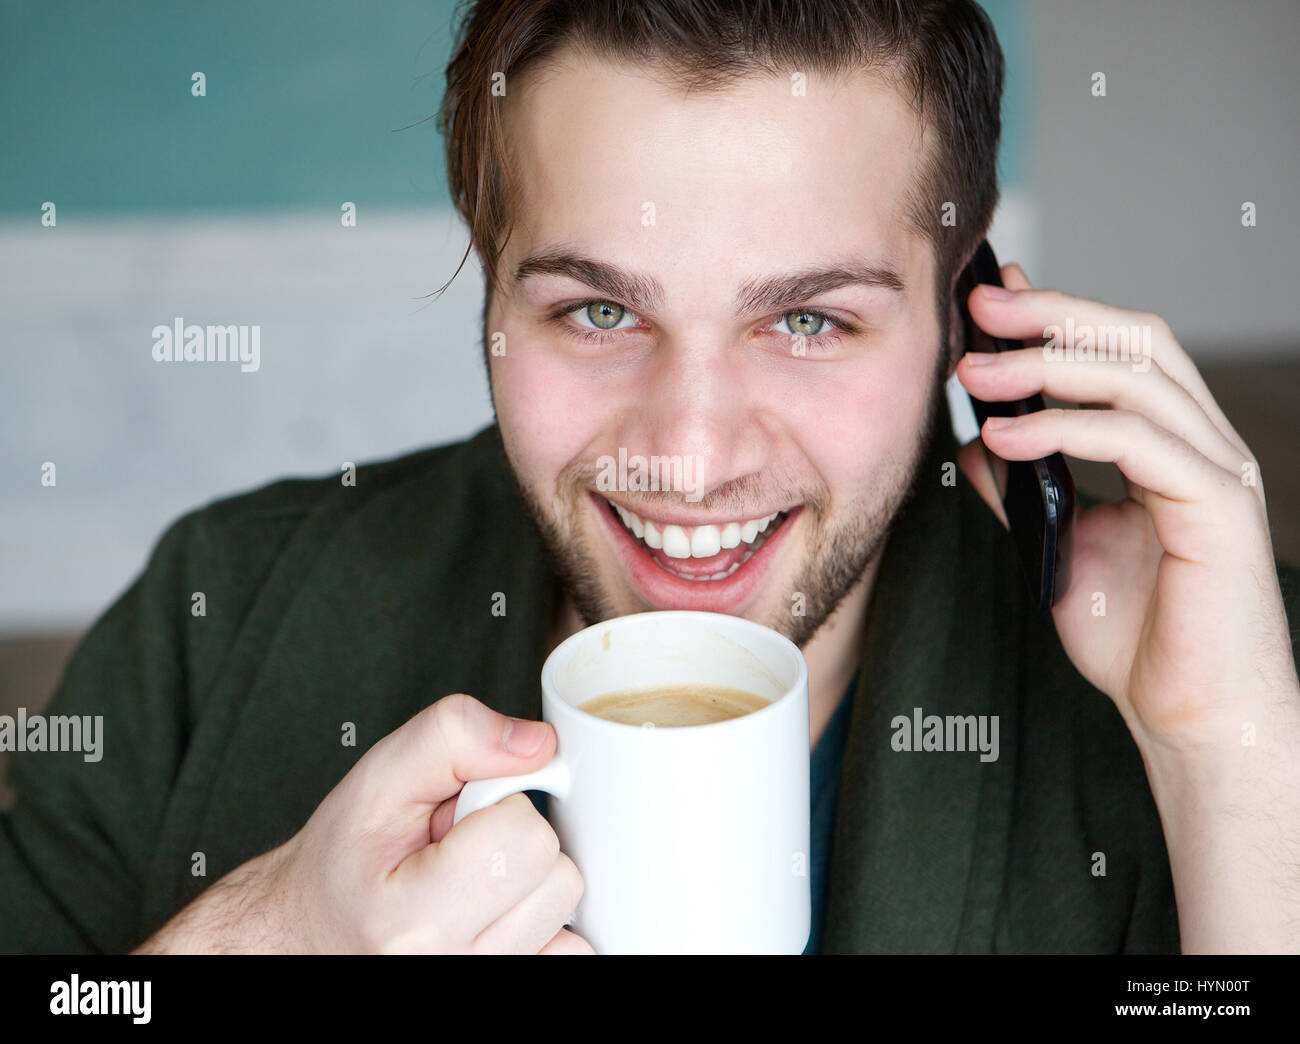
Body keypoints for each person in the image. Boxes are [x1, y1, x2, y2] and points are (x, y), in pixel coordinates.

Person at [3, 0, 1298, 955]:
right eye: (599, 315)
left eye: (807, 322)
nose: (687, 455)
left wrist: (1229, 764)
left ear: (971, 327)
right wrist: (256, 944)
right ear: (491, 273)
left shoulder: (1214, 670)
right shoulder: (222, 609)